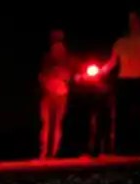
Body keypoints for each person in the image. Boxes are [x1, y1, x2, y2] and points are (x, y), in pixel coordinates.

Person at [102, 11, 140, 155]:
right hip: (124, 81)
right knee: (122, 116)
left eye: (135, 20)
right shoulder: (121, 42)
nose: (133, 24)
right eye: (130, 21)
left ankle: (139, 148)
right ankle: (122, 148)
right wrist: (99, 72)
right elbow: (112, 63)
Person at [38, 30, 72, 159]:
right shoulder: (51, 58)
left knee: (52, 123)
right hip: (52, 93)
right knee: (50, 124)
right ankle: (48, 152)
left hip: (57, 93)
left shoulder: (60, 57)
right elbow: (42, 76)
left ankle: (50, 153)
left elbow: (67, 76)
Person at [73, 59, 115, 157]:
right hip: (89, 109)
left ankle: (101, 150)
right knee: (88, 126)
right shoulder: (85, 83)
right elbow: (76, 80)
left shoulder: (104, 86)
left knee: (101, 126)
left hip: (101, 109)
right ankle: (89, 150)